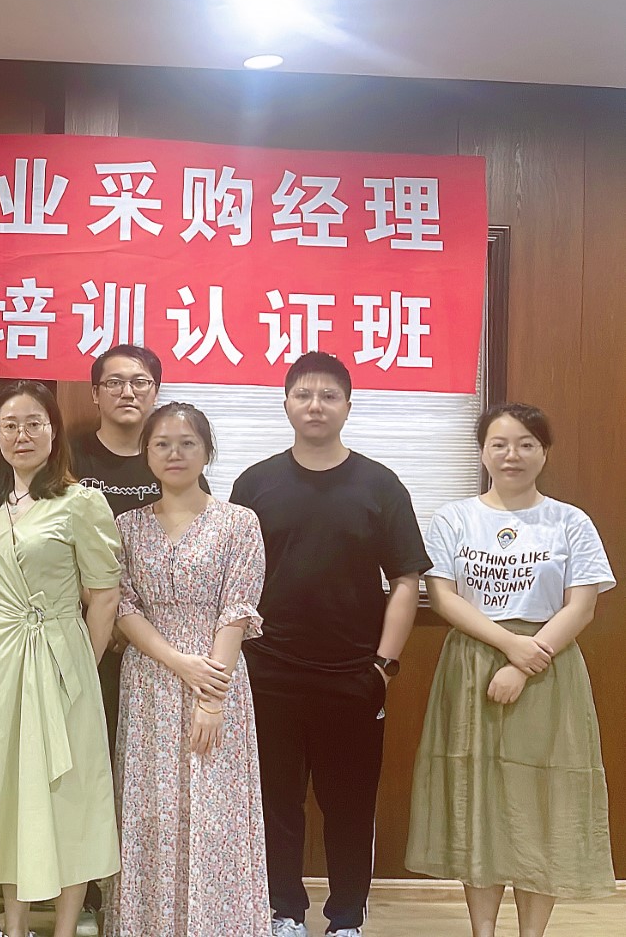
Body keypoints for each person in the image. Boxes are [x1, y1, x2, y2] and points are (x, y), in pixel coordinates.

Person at [228, 352, 429, 937]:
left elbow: (406, 579)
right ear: (286, 403)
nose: (315, 405)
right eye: (303, 394)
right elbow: (234, 577)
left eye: (328, 395)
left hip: (353, 674)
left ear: (347, 405)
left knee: (350, 804)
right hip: (268, 671)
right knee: (275, 803)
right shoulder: (255, 483)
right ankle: (283, 911)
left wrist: (384, 665)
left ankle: (345, 918)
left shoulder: (380, 485)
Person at [406, 404, 615, 937]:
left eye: (526, 444)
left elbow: (581, 606)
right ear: (482, 452)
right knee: (477, 797)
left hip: (549, 668)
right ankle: (483, 931)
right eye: (499, 444)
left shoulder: (570, 521)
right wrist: (508, 647)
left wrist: (527, 659)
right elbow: (443, 598)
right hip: (472, 665)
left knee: (543, 801)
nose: (511, 455)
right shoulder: (454, 518)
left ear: (544, 452)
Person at [0, 381, 122, 937]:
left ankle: (65, 927)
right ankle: (14, 924)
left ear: (53, 431)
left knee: (69, 790)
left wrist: (83, 663)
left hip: (62, 657)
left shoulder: (82, 501)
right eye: (9, 425)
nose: (21, 435)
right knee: (3, 788)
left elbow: (106, 593)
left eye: (33, 423)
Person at [104, 403, 269, 937]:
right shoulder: (126, 526)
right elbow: (124, 606)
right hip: (149, 680)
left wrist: (212, 696)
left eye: (187, 443)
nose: (174, 453)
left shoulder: (239, 522)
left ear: (206, 452)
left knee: (216, 810)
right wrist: (178, 663)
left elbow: (237, 610)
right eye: (162, 444)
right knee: (150, 808)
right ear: (147, 454)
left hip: (218, 676)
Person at [68, 343, 207, 935]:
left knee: (143, 779)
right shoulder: (70, 457)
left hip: (154, 660)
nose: (128, 392)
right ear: (95, 393)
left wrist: (137, 632)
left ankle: (136, 893)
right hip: (80, 642)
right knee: (85, 770)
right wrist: (106, 623)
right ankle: (83, 887)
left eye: (141, 382)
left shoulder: (176, 463)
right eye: (115, 382)